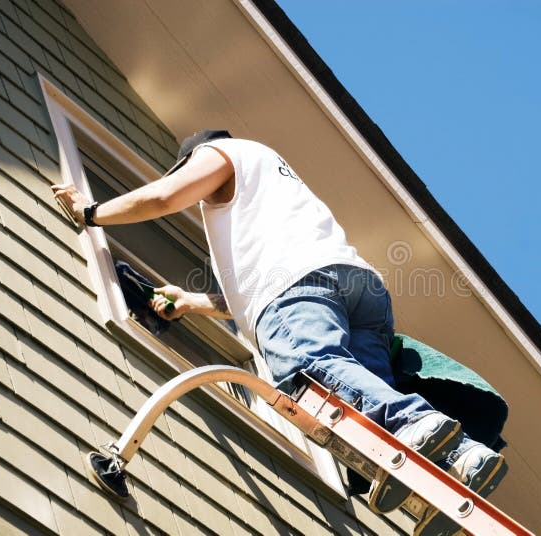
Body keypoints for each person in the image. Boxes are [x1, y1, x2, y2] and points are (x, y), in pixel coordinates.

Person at [52, 129, 505, 519]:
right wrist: (192, 301)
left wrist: (91, 213)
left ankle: (417, 425)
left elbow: (165, 197)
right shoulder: (271, 185)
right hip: (355, 291)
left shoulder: (223, 154)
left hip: (300, 286)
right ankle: (458, 460)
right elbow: (261, 293)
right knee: (365, 409)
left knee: (313, 375)